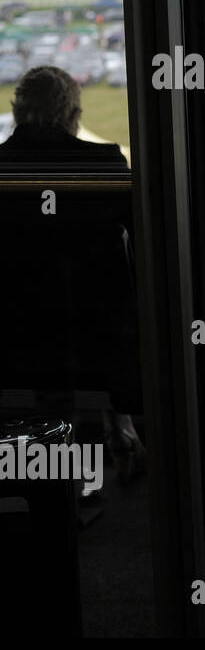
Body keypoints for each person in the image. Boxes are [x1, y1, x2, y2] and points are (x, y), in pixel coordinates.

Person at [0, 65, 146, 481]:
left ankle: (56, 477)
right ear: (72, 114)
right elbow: (145, 248)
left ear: (17, 112)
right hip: (98, 349)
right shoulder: (104, 163)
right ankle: (119, 432)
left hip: (13, 345)